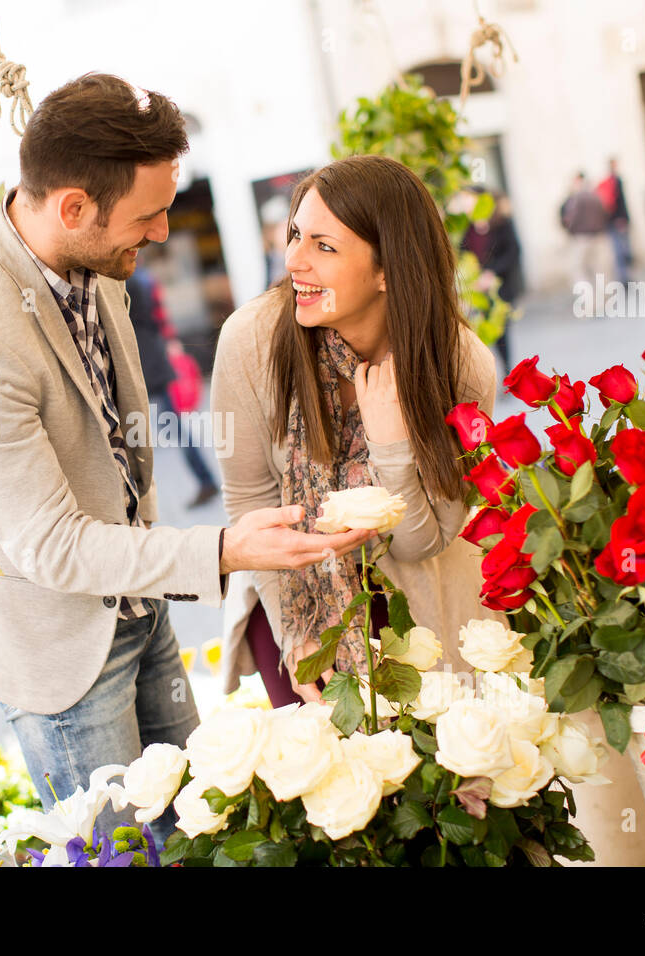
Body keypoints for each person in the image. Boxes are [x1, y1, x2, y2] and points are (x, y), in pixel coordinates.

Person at [0, 74, 374, 839]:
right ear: (73, 208)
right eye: (149, 215)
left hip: (138, 607)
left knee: (198, 832)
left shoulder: (96, 261)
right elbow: (48, 545)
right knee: (125, 855)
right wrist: (225, 549)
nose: (161, 233)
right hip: (56, 645)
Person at [210, 154, 501, 708]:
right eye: (295, 235)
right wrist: (296, 636)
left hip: (410, 604)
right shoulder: (251, 340)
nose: (293, 259)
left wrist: (392, 443)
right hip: (290, 603)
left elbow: (423, 542)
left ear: (388, 268)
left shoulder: (460, 365)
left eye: (324, 246)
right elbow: (249, 497)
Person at [124, 264, 220, 508]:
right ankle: (205, 480)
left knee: (171, 429)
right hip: (151, 358)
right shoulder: (142, 277)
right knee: (169, 429)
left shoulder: (130, 280)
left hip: (148, 363)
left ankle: (205, 480)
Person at [461, 189, 523, 371]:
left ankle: (507, 370)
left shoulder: (502, 224)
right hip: (476, 290)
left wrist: (491, 272)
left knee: (500, 331)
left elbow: (512, 252)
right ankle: (488, 374)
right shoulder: (468, 228)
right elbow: (463, 253)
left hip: (499, 288)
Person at [559, 172, 610, 291]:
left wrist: (569, 229)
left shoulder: (575, 199)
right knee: (597, 267)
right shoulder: (597, 197)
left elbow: (569, 219)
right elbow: (605, 213)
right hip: (597, 236)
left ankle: (587, 297)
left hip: (581, 238)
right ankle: (603, 293)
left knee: (578, 268)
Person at [597, 158, 632, 286]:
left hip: (612, 221)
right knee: (622, 251)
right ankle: (624, 278)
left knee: (620, 251)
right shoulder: (615, 181)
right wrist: (622, 218)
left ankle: (624, 277)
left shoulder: (611, 181)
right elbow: (620, 203)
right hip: (617, 221)